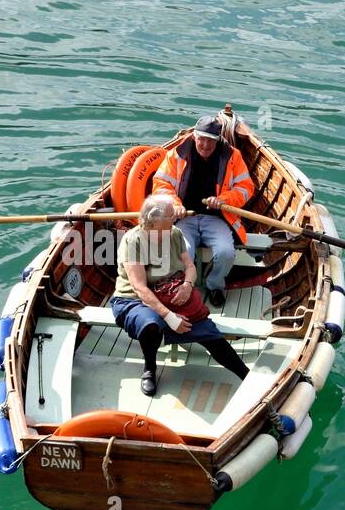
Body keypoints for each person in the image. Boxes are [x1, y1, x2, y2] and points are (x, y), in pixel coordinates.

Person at [109, 195, 252, 397]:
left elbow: (190, 266)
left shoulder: (174, 233)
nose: (175, 218)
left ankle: (246, 376)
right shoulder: (133, 241)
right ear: (152, 222)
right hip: (134, 299)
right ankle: (149, 369)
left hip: (172, 291)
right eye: (169, 216)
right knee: (151, 324)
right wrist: (169, 317)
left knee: (209, 333)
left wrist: (187, 285)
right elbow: (140, 287)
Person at [151, 112, 256, 308]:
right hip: (184, 219)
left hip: (217, 218)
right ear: (194, 137)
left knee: (226, 252)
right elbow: (161, 184)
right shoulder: (176, 155)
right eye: (202, 140)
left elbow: (245, 187)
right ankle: (183, 288)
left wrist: (223, 200)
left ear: (218, 140)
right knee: (184, 251)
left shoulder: (233, 156)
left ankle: (214, 285)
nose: (205, 145)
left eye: (210, 141)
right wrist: (174, 204)